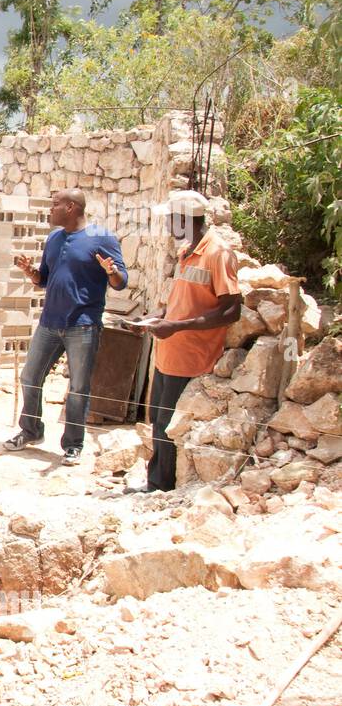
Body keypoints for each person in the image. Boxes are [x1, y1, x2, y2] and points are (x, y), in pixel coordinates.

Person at [5, 188, 128, 465]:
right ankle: (31, 431)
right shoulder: (54, 238)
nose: (51, 209)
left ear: (71, 208)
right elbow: (45, 279)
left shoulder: (101, 238)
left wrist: (112, 272)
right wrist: (31, 273)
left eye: (55, 204)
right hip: (50, 323)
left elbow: (121, 281)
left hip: (82, 326)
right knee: (30, 376)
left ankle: (73, 445)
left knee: (78, 387)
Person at [133, 191, 242, 492]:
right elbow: (179, 303)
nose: (168, 225)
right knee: (158, 420)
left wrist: (178, 326)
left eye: (171, 219)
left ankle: (162, 488)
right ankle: (156, 482)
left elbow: (231, 309)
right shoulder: (187, 252)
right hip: (169, 352)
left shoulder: (218, 253)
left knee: (169, 424)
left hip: (192, 356)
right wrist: (154, 318)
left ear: (184, 219)